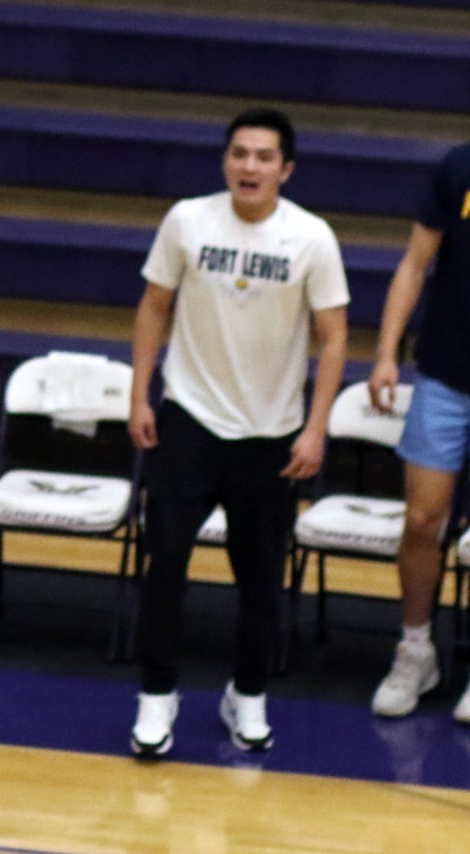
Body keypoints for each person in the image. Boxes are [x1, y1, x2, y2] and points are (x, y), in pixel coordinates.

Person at [127, 108, 350, 759]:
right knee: (164, 558)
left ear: (286, 169)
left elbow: (334, 338)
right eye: (239, 154)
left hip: (273, 432)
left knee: (259, 576)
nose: (249, 166)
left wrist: (315, 428)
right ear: (226, 161)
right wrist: (140, 392)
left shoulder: (311, 238)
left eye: (263, 156)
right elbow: (153, 305)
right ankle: (155, 694)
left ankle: (247, 693)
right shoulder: (187, 221)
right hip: (189, 419)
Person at [368, 141, 470, 720]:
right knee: (422, 519)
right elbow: (414, 263)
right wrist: (386, 352)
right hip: (446, 376)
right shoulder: (458, 168)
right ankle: (415, 651)